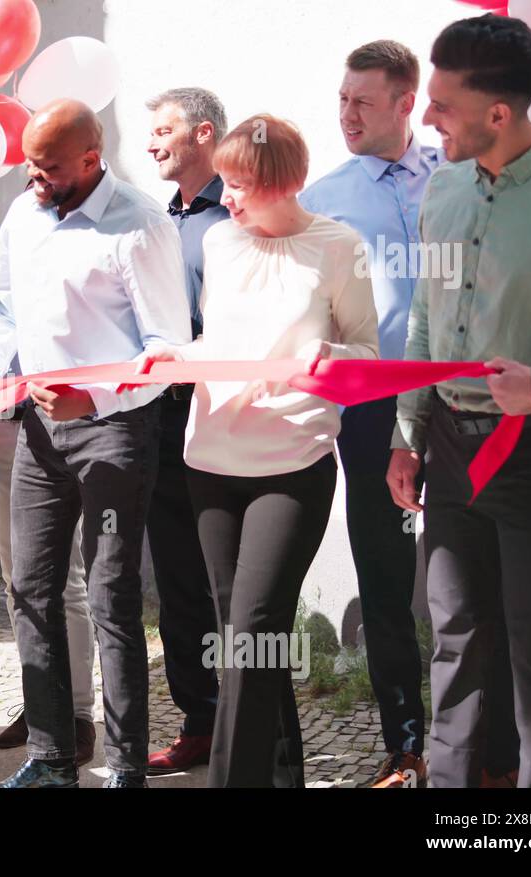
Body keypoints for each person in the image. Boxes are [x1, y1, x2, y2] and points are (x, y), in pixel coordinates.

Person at [387, 14, 531, 788]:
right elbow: (423, 315)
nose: (426, 118)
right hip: (447, 444)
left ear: (498, 113)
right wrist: (405, 433)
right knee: (453, 641)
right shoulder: (442, 188)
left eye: (441, 103)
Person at [141, 114, 380, 787]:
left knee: (250, 634)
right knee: (244, 637)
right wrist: (172, 355)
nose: (231, 195)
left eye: (244, 184)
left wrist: (328, 355)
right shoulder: (220, 242)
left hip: (293, 463)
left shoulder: (339, 247)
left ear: (287, 182)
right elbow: (219, 346)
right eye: (229, 181)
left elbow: (369, 350)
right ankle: (282, 776)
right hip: (211, 462)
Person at [0, 99, 191, 789]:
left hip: (116, 432)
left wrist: (93, 397)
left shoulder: (142, 226)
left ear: (92, 159)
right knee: (31, 587)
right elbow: (6, 305)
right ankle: (51, 755)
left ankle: (126, 766)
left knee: (110, 595)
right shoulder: (21, 215)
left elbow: (169, 349)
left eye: (49, 168)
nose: (34, 179)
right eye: (29, 165)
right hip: (38, 432)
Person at [297, 39, 440, 788]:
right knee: (386, 574)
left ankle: (479, 742)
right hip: (371, 408)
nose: (345, 113)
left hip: (466, 397)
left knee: (472, 575)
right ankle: (405, 744)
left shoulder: (458, 178)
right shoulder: (325, 195)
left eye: (362, 100)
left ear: (404, 102)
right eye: (342, 98)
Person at [142, 86, 230, 777]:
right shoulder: (154, 221)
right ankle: (200, 720)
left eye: (164, 129)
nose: (151, 142)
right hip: (161, 423)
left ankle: (251, 721)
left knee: (229, 580)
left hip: (228, 419)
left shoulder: (240, 213)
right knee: (177, 582)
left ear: (205, 134)